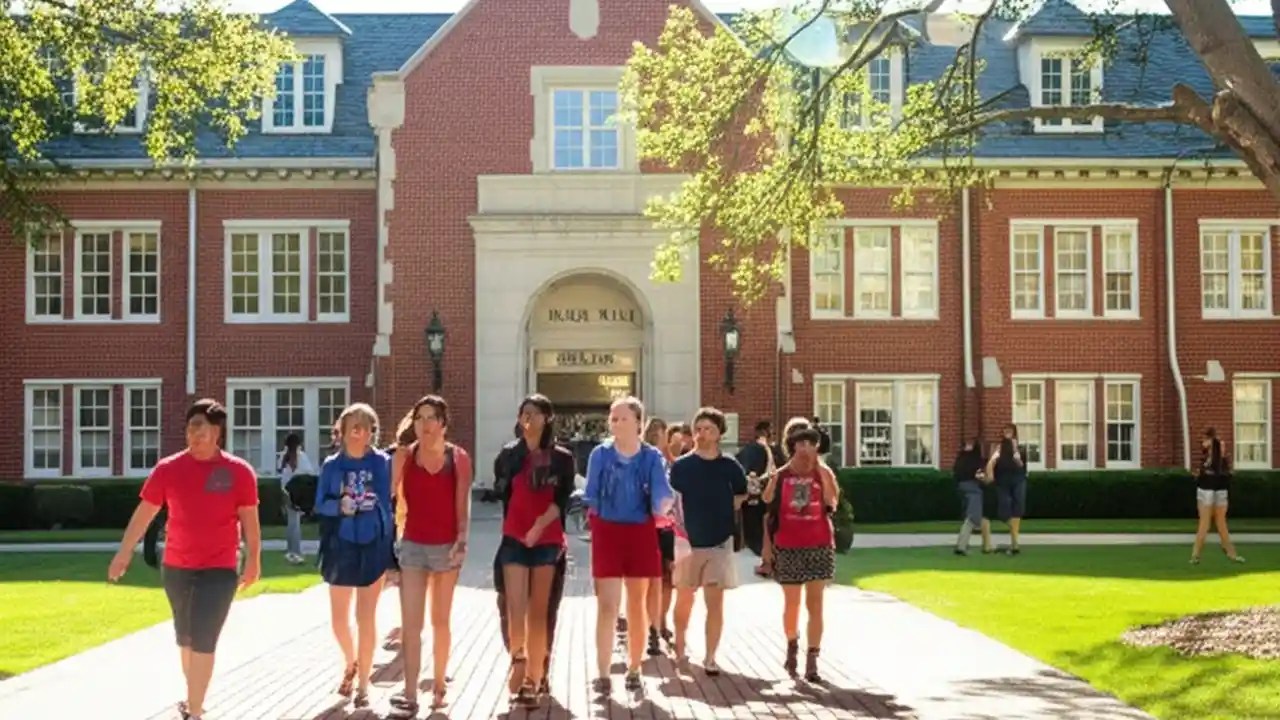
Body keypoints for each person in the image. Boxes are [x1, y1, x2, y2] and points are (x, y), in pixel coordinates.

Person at [108, 398, 261, 720]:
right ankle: (194, 698)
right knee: (186, 637)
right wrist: (124, 553)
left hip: (219, 567)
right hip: (177, 566)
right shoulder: (168, 469)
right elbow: (144, 514)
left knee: (205, 635)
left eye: (201, 428)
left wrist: (253, 559)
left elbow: (249, 521)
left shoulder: (238, 472)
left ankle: (194, 710)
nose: (194, 435)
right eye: (190, 428)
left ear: (217, 432)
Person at [386, 395, 472, 716]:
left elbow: (462, 505)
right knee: (411, 624)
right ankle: (409, 693)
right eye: (419, 417)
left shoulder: (458, 458)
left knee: (440, 620)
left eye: (431, 418)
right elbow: (392, 500)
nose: (424, 424)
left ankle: (438, 683)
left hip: (446, 546)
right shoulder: (405, 457)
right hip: (413, 546)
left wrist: (462, 540)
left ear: (443, 424)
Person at [583, 396, 674, 693]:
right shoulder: (600, 454)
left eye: (622, 418)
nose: (616, 423)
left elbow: (662, 492)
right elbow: (591, 493)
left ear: (639, 423)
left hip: (640, 532)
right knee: (607, 605)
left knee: (637, 603)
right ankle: (603, 672)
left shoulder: (651, 458)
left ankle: (635, 667)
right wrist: (592, 515)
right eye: (613, 418)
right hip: (607, 531)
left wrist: (665, 504)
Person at [493, 394, 576, 705]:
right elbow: (501, 491)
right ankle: (518, 658)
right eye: (524, 413)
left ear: (547, 419)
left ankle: (534, 679)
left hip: (547, 538)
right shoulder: (508, 454)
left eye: (535, 413)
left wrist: (539, 526)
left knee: (539, 610)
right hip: (514, 536)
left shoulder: (561, 458)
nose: (528, 418)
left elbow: (563, 499)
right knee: (515, 607)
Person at [314, 403, 394, 709]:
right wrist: (339, 507)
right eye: (355, 427)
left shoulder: (381, 463)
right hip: (340, 543)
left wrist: (385, 535)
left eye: (367, 427)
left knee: (366, 616)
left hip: (372, 541)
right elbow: (320, 503)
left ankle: (363, 686)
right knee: (338, 618)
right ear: (343, 432)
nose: (361, 433)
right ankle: (351, 661)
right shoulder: (331, 465)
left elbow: (387, 502)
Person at [669, 407, 748, 677]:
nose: (702, 434)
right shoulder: (681, 467)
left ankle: (711, 657)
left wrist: (725, 510)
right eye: (698, 429)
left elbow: (741, 495)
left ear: (718, 435)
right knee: (685, 599)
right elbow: (673, 503)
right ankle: (679, 648)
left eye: (708, 430)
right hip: (688, 543)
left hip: (718, 543)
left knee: (714, 601)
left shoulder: (730, 466)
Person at [762, 424, 838, 682]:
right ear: (792, 446)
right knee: (792, 603)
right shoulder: (782, 475)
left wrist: (823, 474)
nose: (805, 449)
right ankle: (792, 643)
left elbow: (832, 502)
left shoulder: (823, 472)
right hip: (788, 545)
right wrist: (768, 550)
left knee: (815, 603)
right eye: (800, 443)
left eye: (810, 443)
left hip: (818, 544)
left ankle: (813, 659)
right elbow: (767, 502)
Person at [1191, 427, 1246, 565]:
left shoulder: (1221, 462)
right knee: (1205, 523)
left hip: (1219, 490)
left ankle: (1230, 553)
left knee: (1220, 523)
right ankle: (1196, 555)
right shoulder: (1207, 459)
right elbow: (1202, 472)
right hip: (1207, 490)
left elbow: (1226, 474)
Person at [985, 423, 1028, 555]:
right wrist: (990, 474)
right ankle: (1015, 539)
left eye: (1010, 431)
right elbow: (991, 462)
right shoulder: (999, 448)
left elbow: (1020, 464)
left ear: (1014, 433)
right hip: (1002, 481)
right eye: (1005, 431)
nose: (1007, 434)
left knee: (1017, 509)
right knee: (1003, 511)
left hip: (1018, 480)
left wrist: (1015, 449)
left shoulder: (1020, 448)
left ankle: (1014, 544)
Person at [278, 432, 317, 565]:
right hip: (298, 492)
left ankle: (291, 550)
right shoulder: (301, 457)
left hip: (288, 491)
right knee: (295, 523)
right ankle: (296, 551)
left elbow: (282, 477)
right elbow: (309, 474)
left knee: (291, 522)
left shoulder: (284, 457)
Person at [952, 438, 993, 556]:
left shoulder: (961, 458)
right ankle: (961, 546)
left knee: (972, 516)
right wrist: (987, 479)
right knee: (973, 517)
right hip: (973, 489)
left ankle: (986, 545)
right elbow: (979, 475)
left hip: (961, 488)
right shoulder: (975, 460)